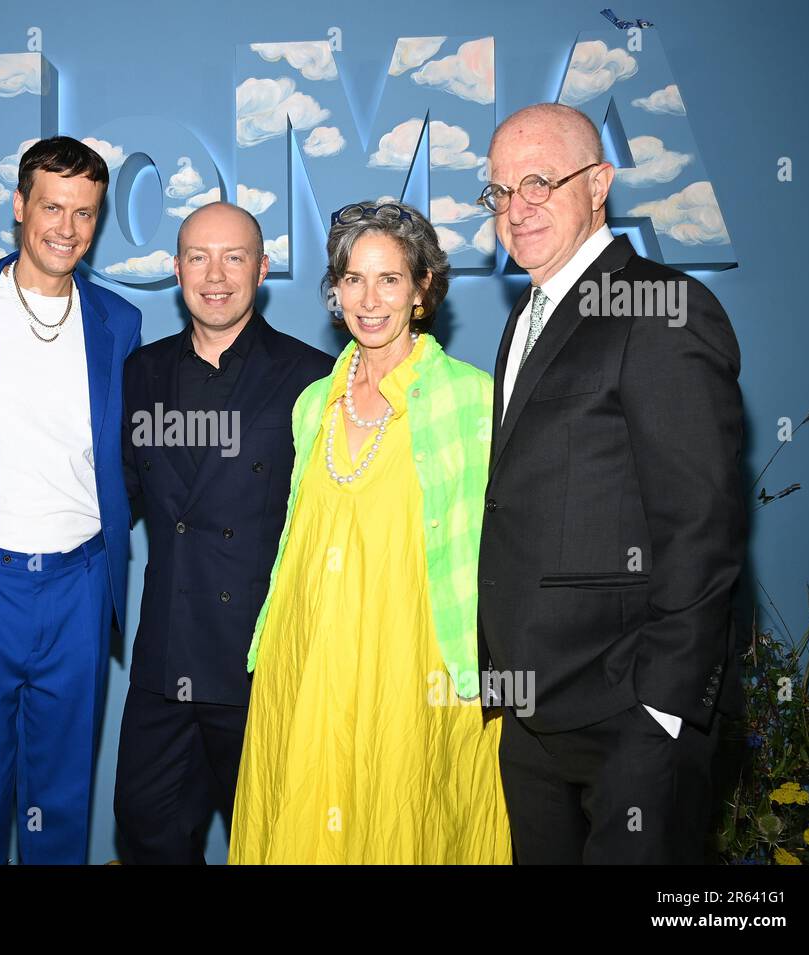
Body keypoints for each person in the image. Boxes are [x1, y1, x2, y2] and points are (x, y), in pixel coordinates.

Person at [476, 103, 746, 864]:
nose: (515, 210)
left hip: (629, 719)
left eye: (538, 183)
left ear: (598, 184)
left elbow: (703, 527)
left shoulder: (660, 309)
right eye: (498, 192)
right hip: (533, 719)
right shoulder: (526, 317)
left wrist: (661, 712)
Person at [228, 200, 510, 864]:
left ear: (422, 288)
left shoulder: (470, 399)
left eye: (389, 278)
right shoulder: (312, 404)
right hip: (308, 661)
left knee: (403, 825)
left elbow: (503, 547)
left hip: (412, 669)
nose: (369, 297)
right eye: (353, 278)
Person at [0, 136, 141, 865]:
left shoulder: (119, 322)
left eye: (85, 213)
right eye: (52, 207)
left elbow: (125, 454)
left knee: (61, 803)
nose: (67, 228)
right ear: (18, 207)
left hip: (77, 586)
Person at [115, 202, 332, 864]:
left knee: (269, 842)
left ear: (262, 269)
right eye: (198, 257)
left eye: (234, 257)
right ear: (176, 269)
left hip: (258, 666)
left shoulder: (312, 377)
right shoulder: (139, 372)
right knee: (147, 830)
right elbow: (111, 496)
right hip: (164, 661)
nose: (216, 275)